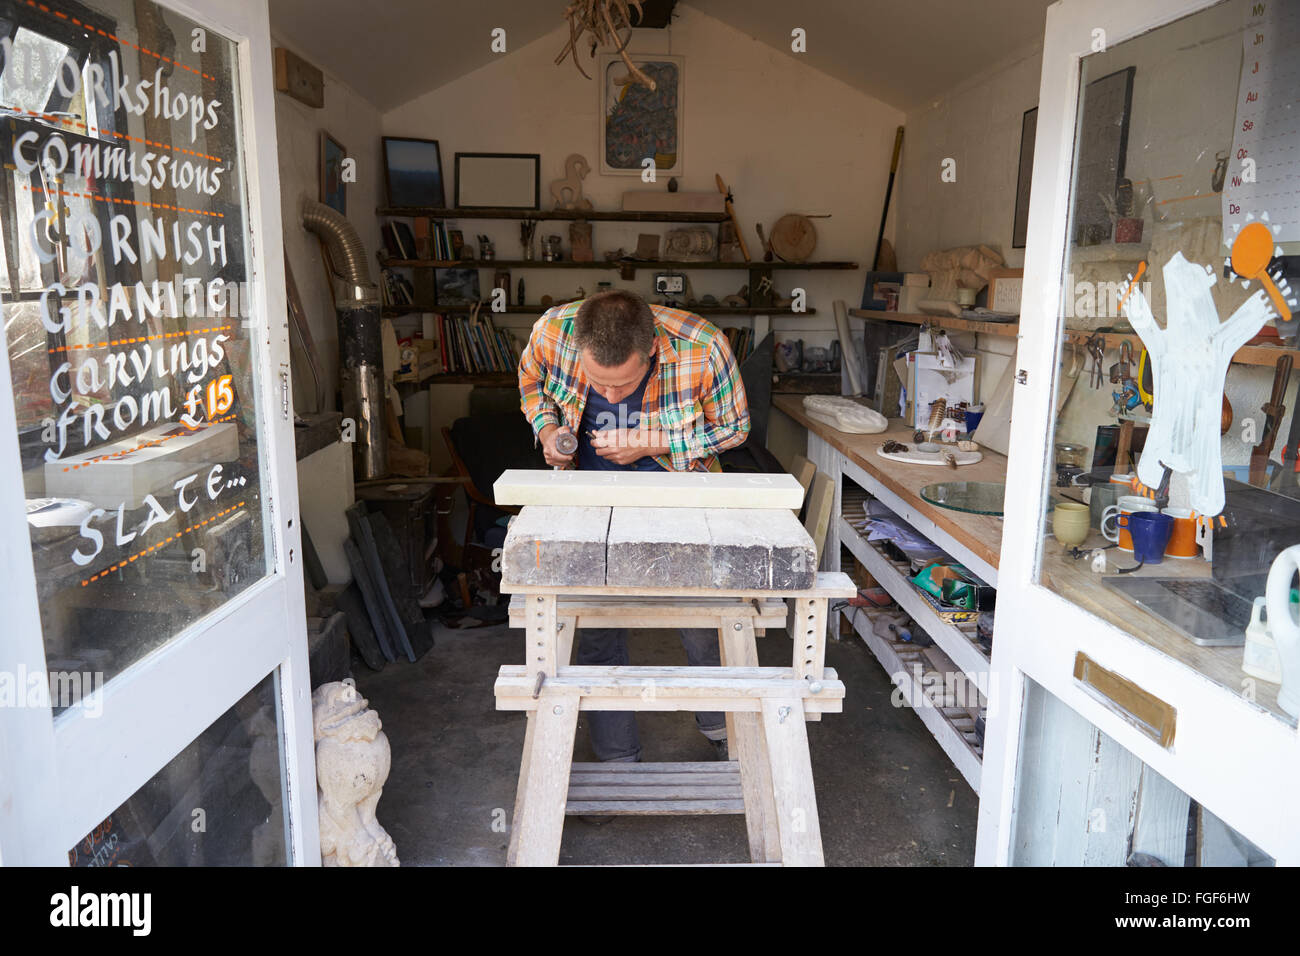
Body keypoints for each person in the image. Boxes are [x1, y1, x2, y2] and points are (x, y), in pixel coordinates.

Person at [517, 289, 750, 762]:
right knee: (599, 624)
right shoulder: (551, 331)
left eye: (624, 385)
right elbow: (531, 383)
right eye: (598, 382)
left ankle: (723, 731)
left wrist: (655, 443)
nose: (609, 395)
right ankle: (616, 758)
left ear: (651, 351)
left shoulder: (703, 346)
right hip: (591, 494)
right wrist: (550, 432)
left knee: (703, 622)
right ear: (578, 349)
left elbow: (734, 427)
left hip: (681, 491)